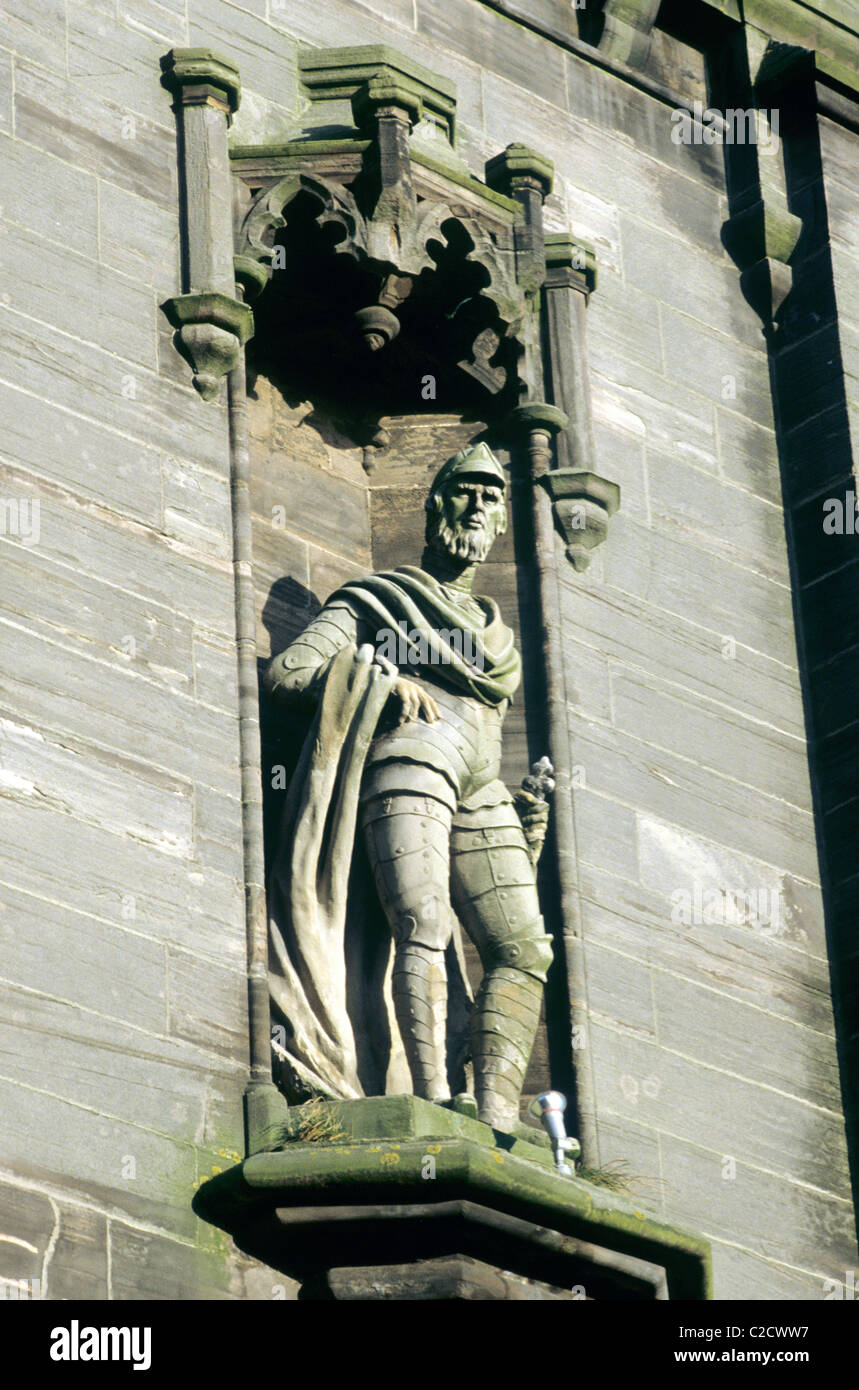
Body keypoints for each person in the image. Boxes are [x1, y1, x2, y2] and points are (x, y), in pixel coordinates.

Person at [264, 442, 553, 1132]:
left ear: (501, 523)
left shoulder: (497, 638)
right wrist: (379, 680)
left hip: (480, 787)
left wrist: (524, 813)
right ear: (431, 507)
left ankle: (497, 1119)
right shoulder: (376, 599)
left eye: (490, 495)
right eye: (465, 490)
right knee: (419, 923)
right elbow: (289, 674)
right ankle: (433, 1102)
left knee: (523, 948)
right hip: (411, 758)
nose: (478, 503)